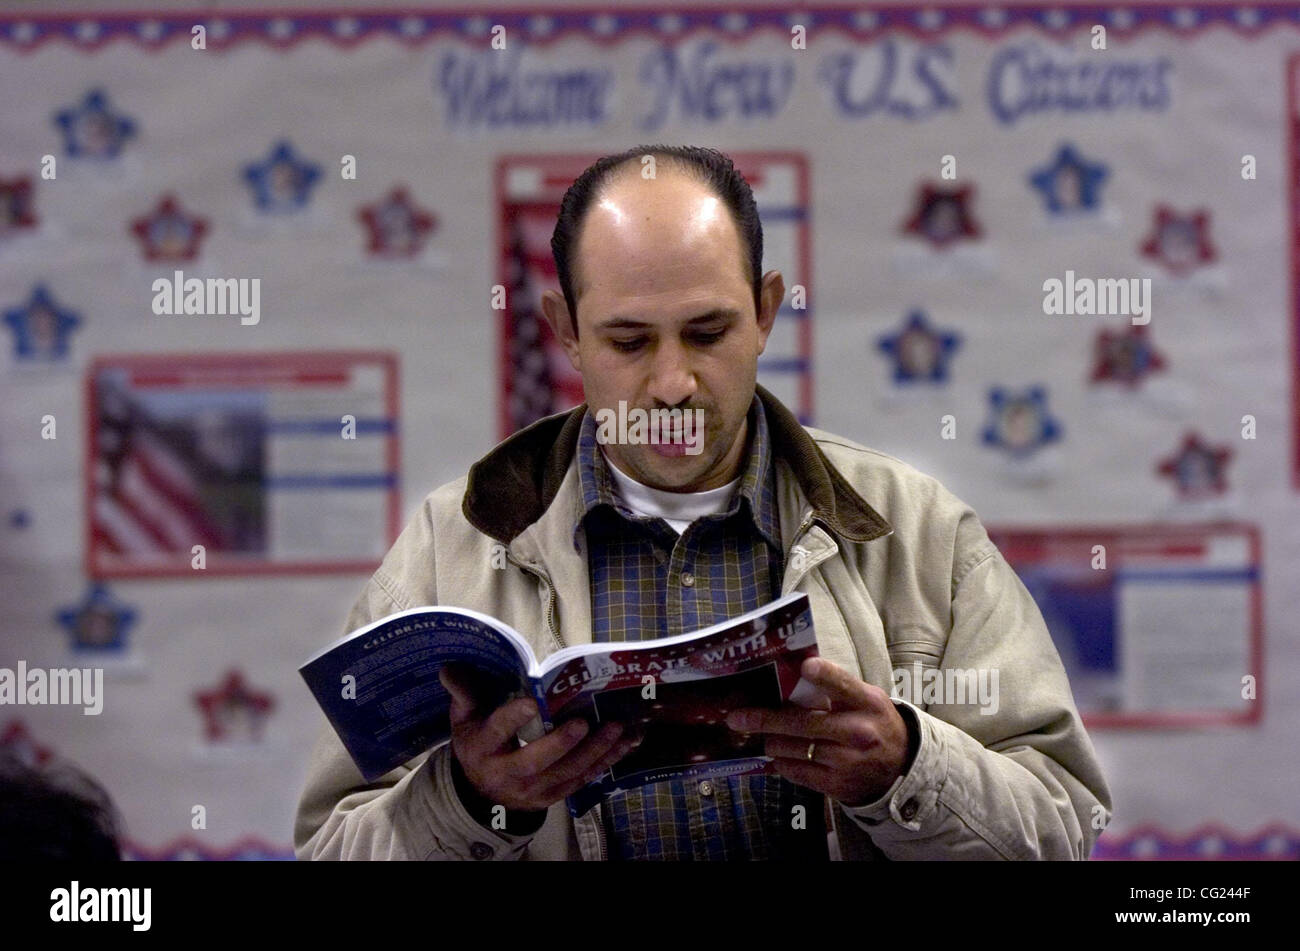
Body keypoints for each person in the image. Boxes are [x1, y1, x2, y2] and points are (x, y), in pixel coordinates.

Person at [295, 145, 1111, 861]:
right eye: (628, 341)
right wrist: (472, 800)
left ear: (765, 313)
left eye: (709, 332)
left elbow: (1061, 826)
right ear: (565, 331)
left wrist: (905, 770)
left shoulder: (921, 532)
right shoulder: (452, 548)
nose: (673, 383)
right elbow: (332, 847)